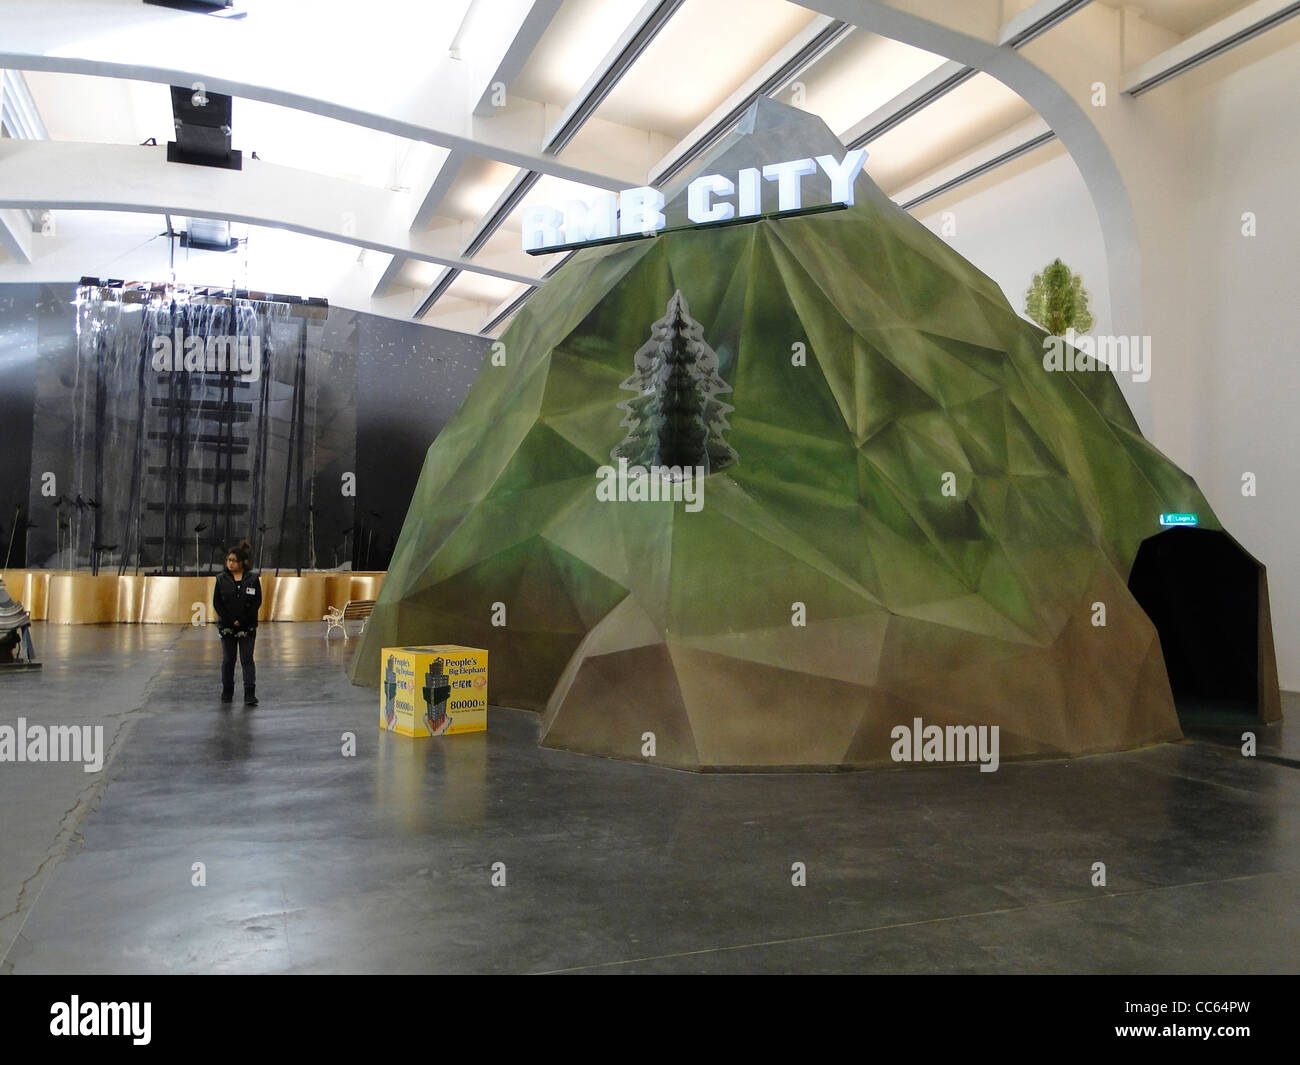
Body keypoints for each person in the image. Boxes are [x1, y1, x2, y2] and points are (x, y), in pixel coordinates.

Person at [212, 539, 263, 706]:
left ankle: (250, 693)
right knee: (228, 660)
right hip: (227, 626)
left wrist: (242, 619)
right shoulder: (221, 579)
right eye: (228, 560)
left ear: (242, 562)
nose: (230, 563)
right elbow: (217, 603)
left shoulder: (253, 579)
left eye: (233, 561)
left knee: (247, 659)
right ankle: (227, 692)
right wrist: (230, 620)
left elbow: (257, 602)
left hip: (247, 626)